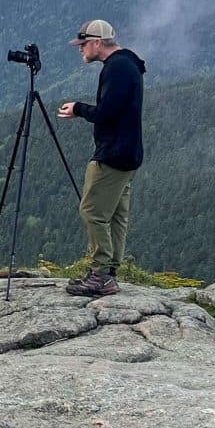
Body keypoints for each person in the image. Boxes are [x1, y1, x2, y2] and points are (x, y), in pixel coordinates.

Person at [57, 19, 145, 297]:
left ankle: (100, 274)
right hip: (129, 153)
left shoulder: (117, 68)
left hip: (114, 154)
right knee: (117, 215)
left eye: (83, 44)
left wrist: (79, 108)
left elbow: (107, 112)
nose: (80, 49)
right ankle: (110, 272)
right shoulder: (128, 64)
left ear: (97, 42)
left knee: (92, 211)